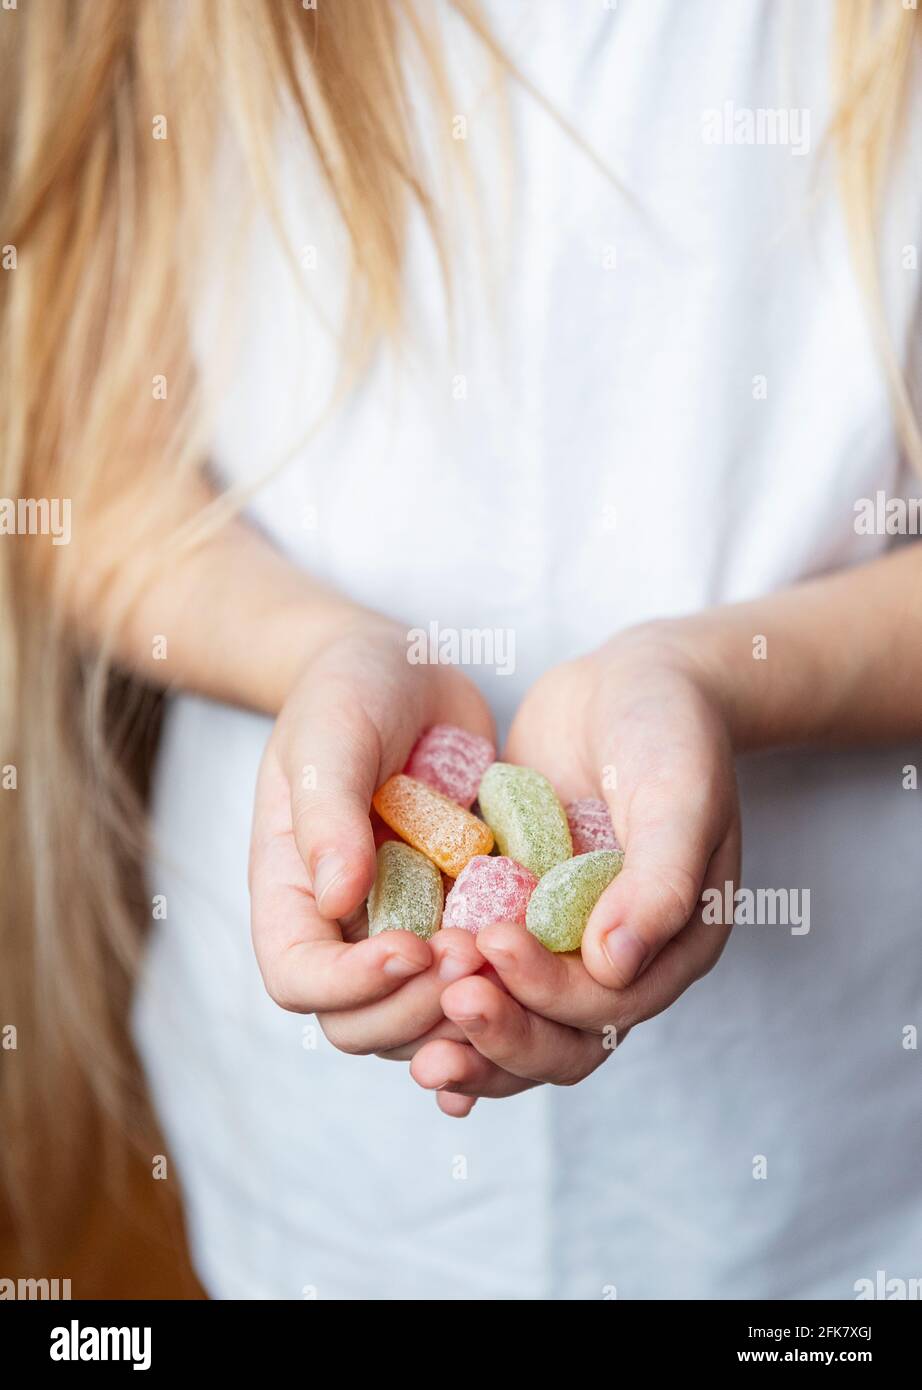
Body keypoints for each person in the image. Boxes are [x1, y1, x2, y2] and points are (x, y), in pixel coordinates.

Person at [2, 0, 920, 1299]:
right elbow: (78, 466)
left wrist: (721, 674)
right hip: (324, 1167)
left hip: (846, 1155)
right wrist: (322, 653)